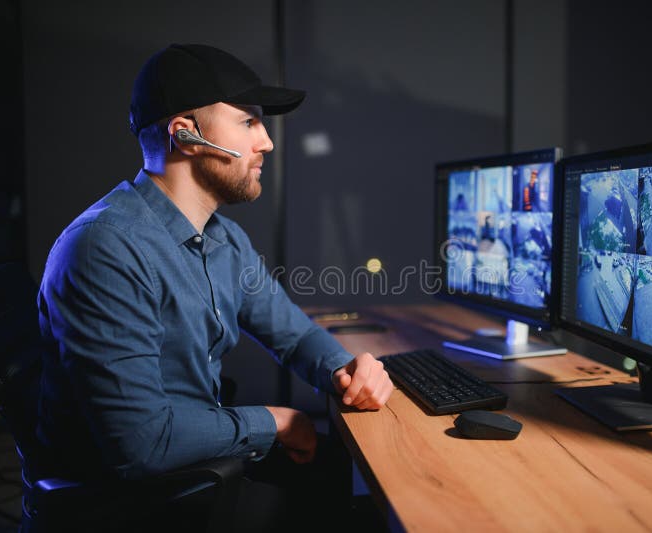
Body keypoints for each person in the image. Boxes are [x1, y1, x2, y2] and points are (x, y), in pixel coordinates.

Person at [35, 43, 394, 528]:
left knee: (348, 477)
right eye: (248, 122)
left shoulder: (224, 239)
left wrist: (345, 370)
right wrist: (278, 421)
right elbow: (141, 443)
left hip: (194, 462)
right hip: (132, 500)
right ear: (185, 135)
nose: (266, 142)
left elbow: (294, 335)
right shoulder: (106, 248)